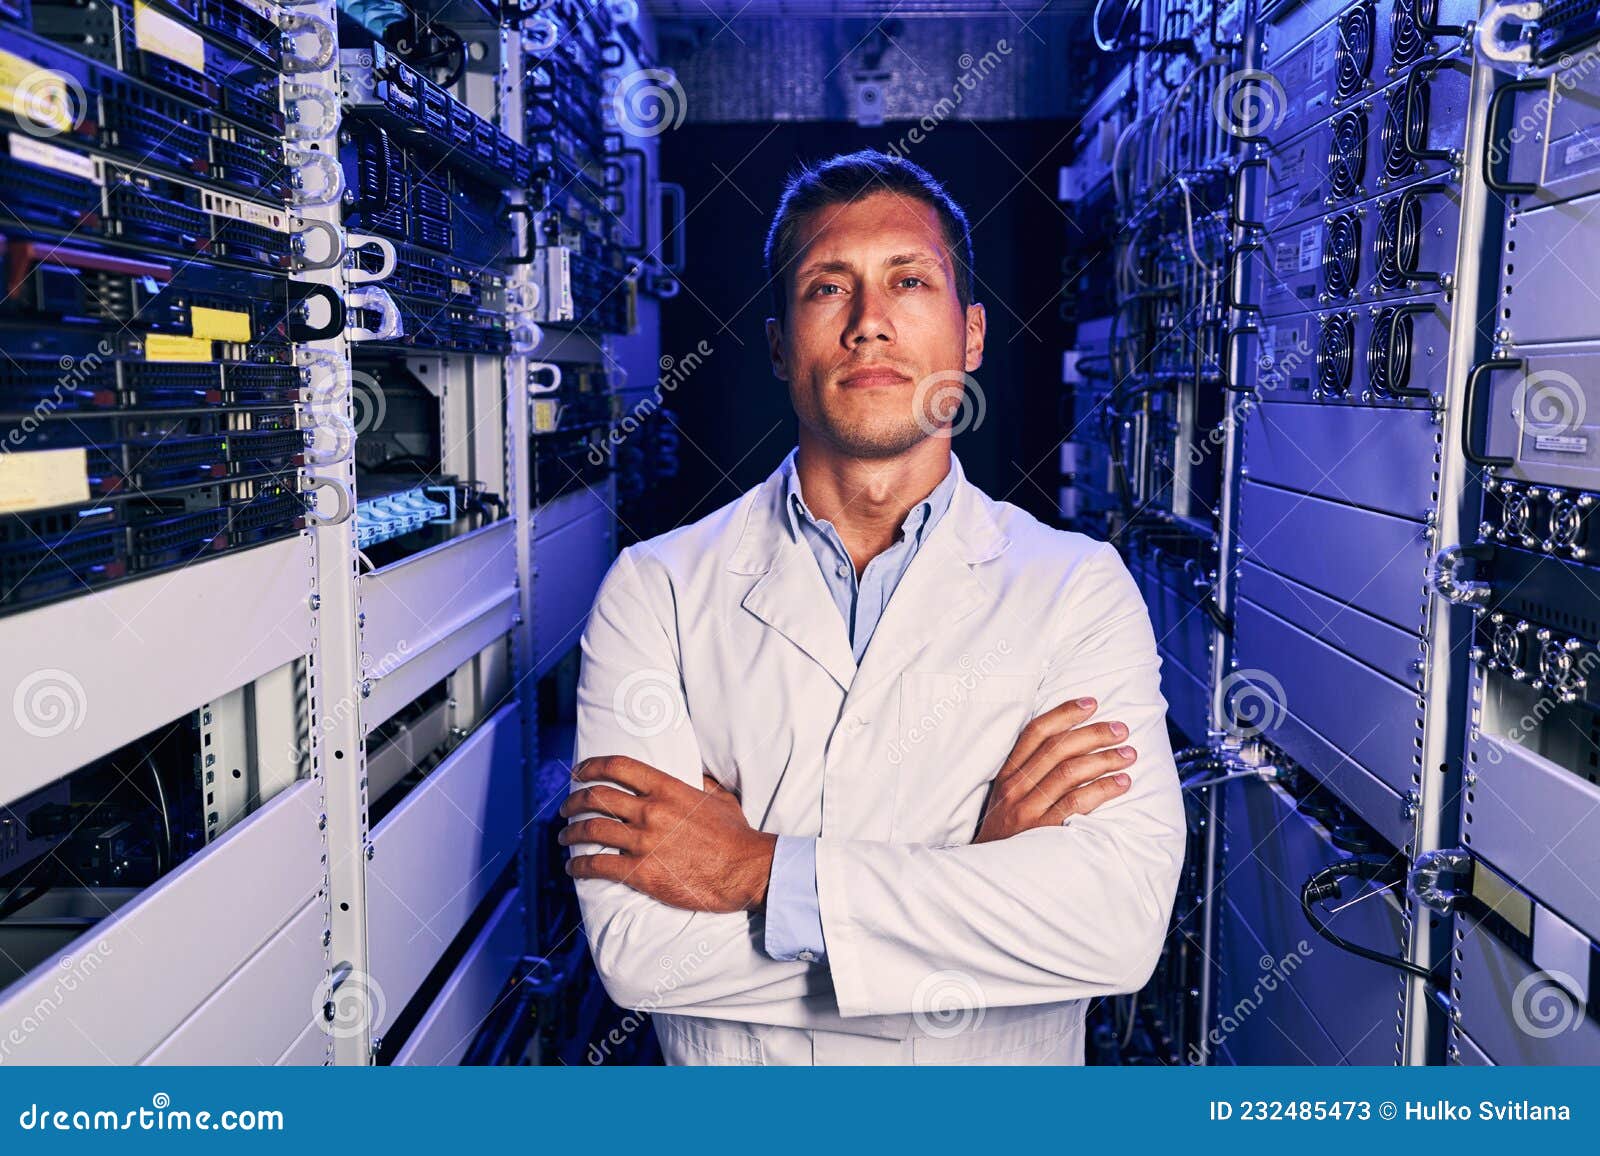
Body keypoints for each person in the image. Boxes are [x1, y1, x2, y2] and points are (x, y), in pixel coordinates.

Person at [559, 148, 1185, 1065]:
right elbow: (640, 954)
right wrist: (978, 878)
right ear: (779, 342)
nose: (870, 325)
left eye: (909, 281)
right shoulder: (655, 590)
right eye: (826, 288)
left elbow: (1116, 928)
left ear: (970, 337)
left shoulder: (1076, 586)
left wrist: (755, 869)